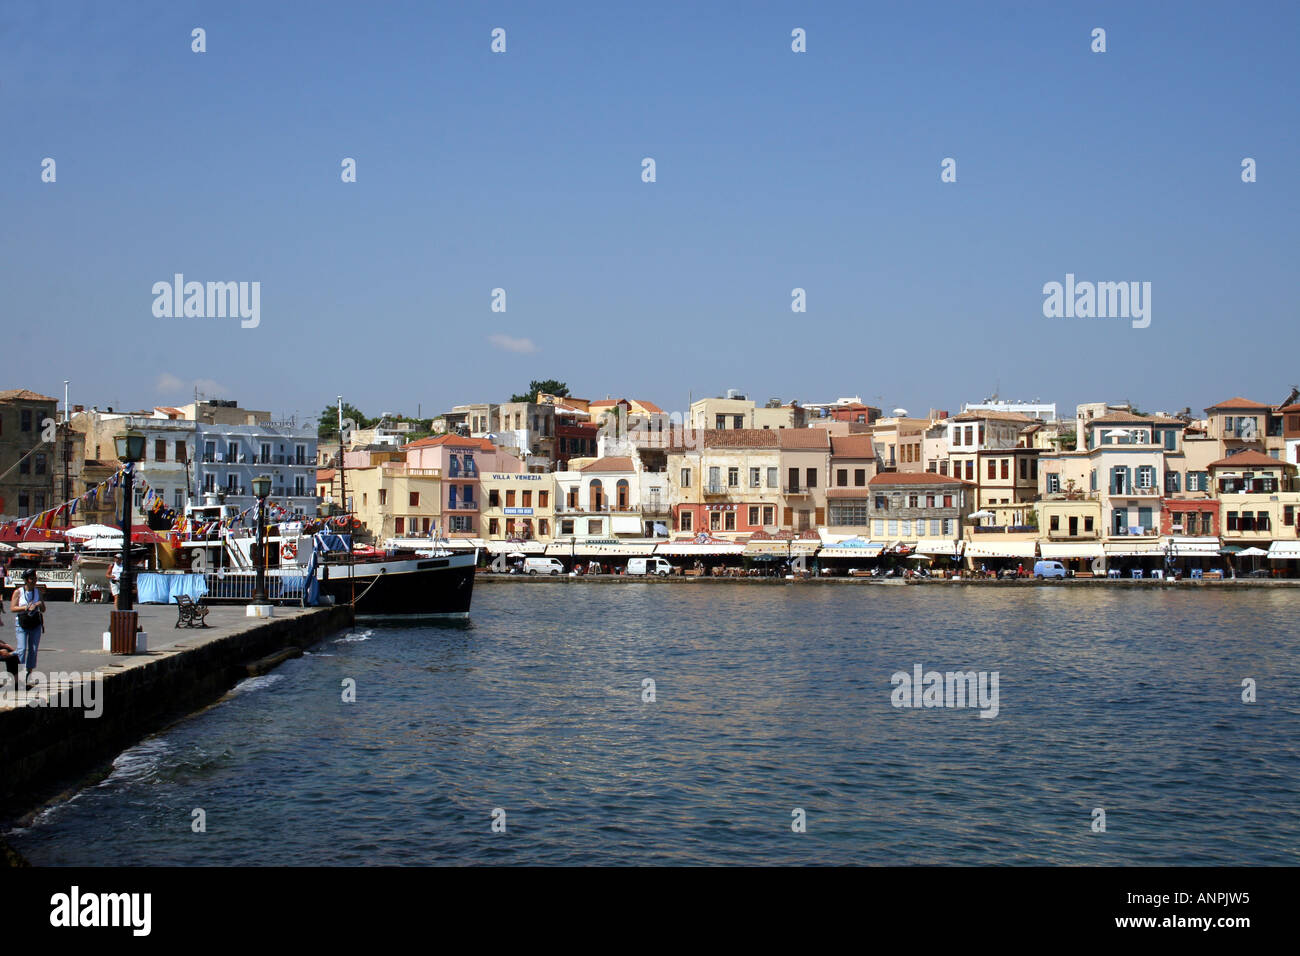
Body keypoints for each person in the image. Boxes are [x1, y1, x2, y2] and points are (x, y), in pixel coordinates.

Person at [10, 569, 45, 689]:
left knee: (33, 650)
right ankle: (17, 677)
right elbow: (12, 608)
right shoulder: (18, 592)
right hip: (22, 623)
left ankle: (27, 676)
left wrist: (39, 604)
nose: (34, 580)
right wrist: (26, 607)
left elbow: (44, 609)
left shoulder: (38, 592)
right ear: (26, 580)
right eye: (31, 578)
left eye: (35, 578)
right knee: (22, 649)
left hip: (35, 624)